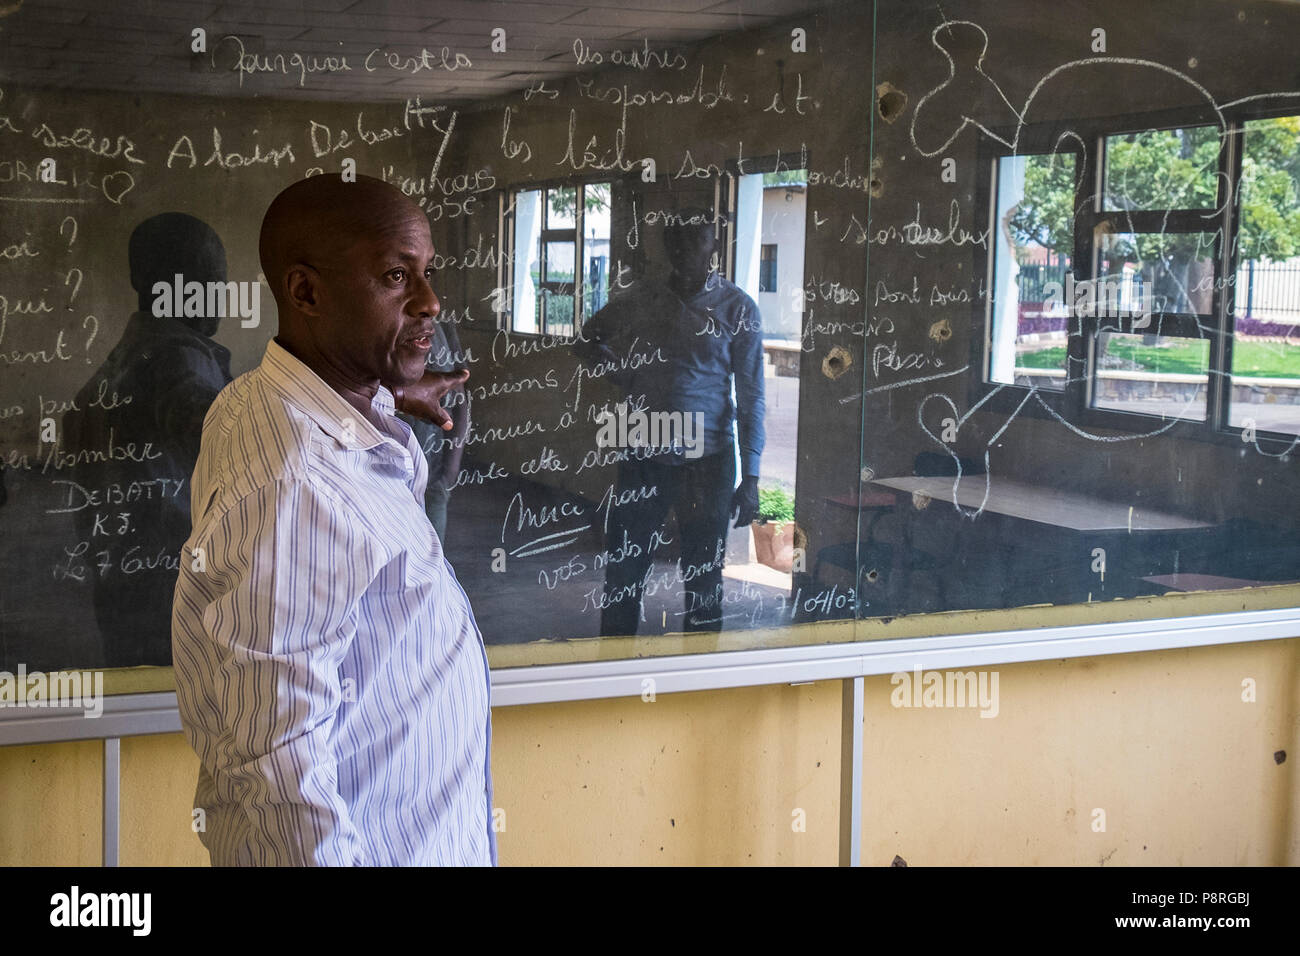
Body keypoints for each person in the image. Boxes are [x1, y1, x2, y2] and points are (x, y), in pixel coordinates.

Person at [171, 174, 492, 866]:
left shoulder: (258, 402)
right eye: (394, 276)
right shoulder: (299, 482)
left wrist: (373, 391)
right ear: (307, 293)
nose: (431, 300)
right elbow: (279, 760)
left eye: (427, 273)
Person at [574, 211, 764, 635]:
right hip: (643, 450)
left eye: (698, 241)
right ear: (667, 247)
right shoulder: (643, 299)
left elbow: (752, 398)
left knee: (704, 577)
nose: (687, 251)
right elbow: (588, 337)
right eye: (678, 242)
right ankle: (614, 672)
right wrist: (615, 369)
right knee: (625, 570)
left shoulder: (738, 308)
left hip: (708, 460)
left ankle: (699, 679)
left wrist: (750, 475)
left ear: (713, 246)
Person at [63, 213, 233, 667]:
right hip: (180, 595)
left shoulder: (122, 363)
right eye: (214, 280)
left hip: (126, 589)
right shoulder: (178, 362)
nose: (225, 295)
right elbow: (240, 457)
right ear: (181, 285)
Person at [396, 318, 469, 542]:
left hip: (434, 470)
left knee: (432, 551)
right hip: (394, 472)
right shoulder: (384, 329)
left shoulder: (443, 327)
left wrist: (453, 463)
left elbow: (460, 398)